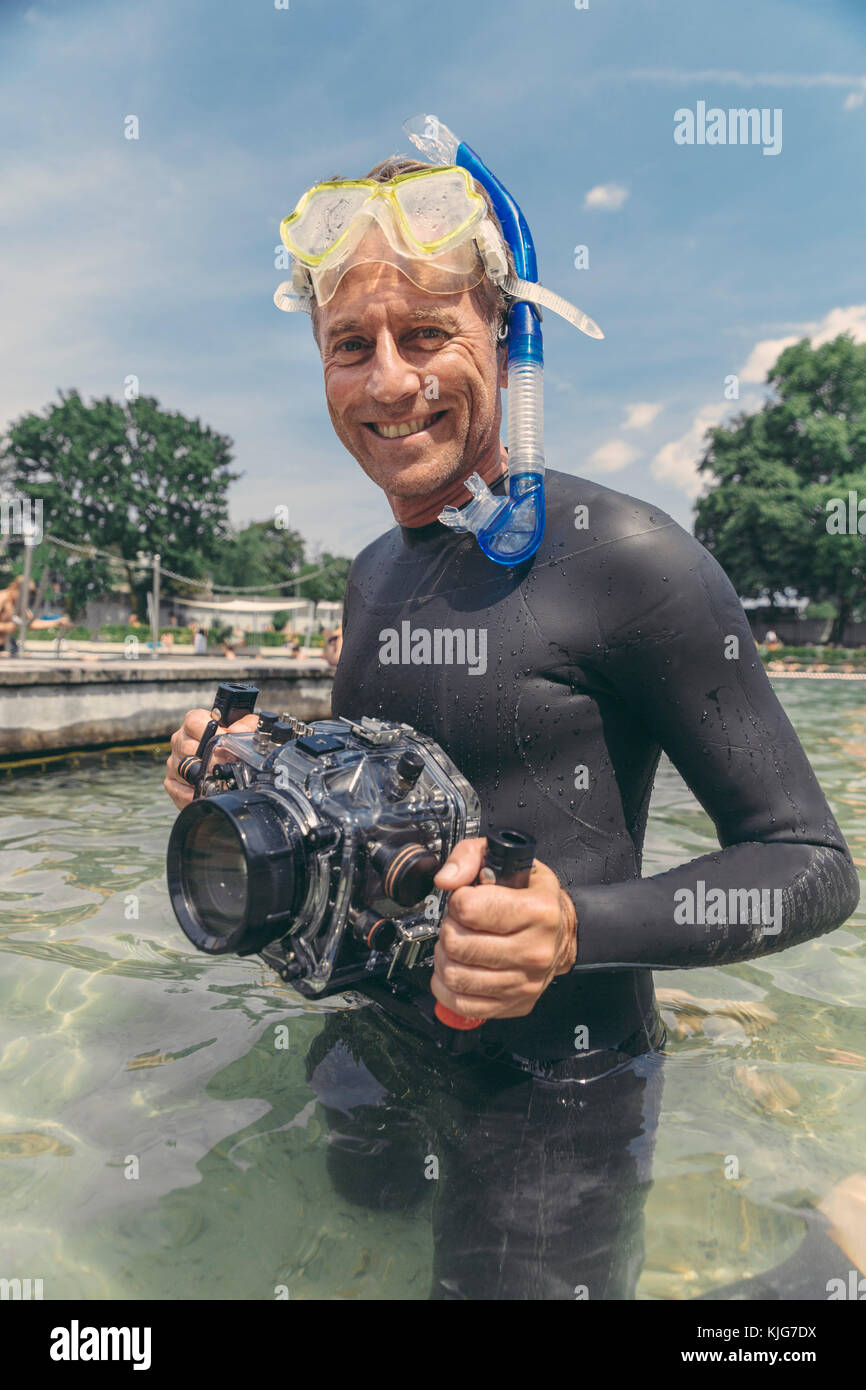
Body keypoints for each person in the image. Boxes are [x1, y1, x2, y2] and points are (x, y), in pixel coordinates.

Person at [164, 132, 861, 1300]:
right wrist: (246, 772)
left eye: (426, 333)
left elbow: (810, 864)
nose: (388, 381)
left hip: (556, 1073)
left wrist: (575, 928)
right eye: (351, 345)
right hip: (379, 1041)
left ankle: (826, 1259)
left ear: (507, 337)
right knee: (353, 1215)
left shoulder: (628, 561)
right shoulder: (372, 574)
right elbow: (389, 798)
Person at [0, 576, 69, 655]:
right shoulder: (2, 598)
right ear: (13, 587)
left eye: (28, 594)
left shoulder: (18, 604)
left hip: (6, 644)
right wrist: (5, 627)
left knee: (26, 655)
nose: (26, 597)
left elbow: (31, 623)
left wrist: (57, 622)